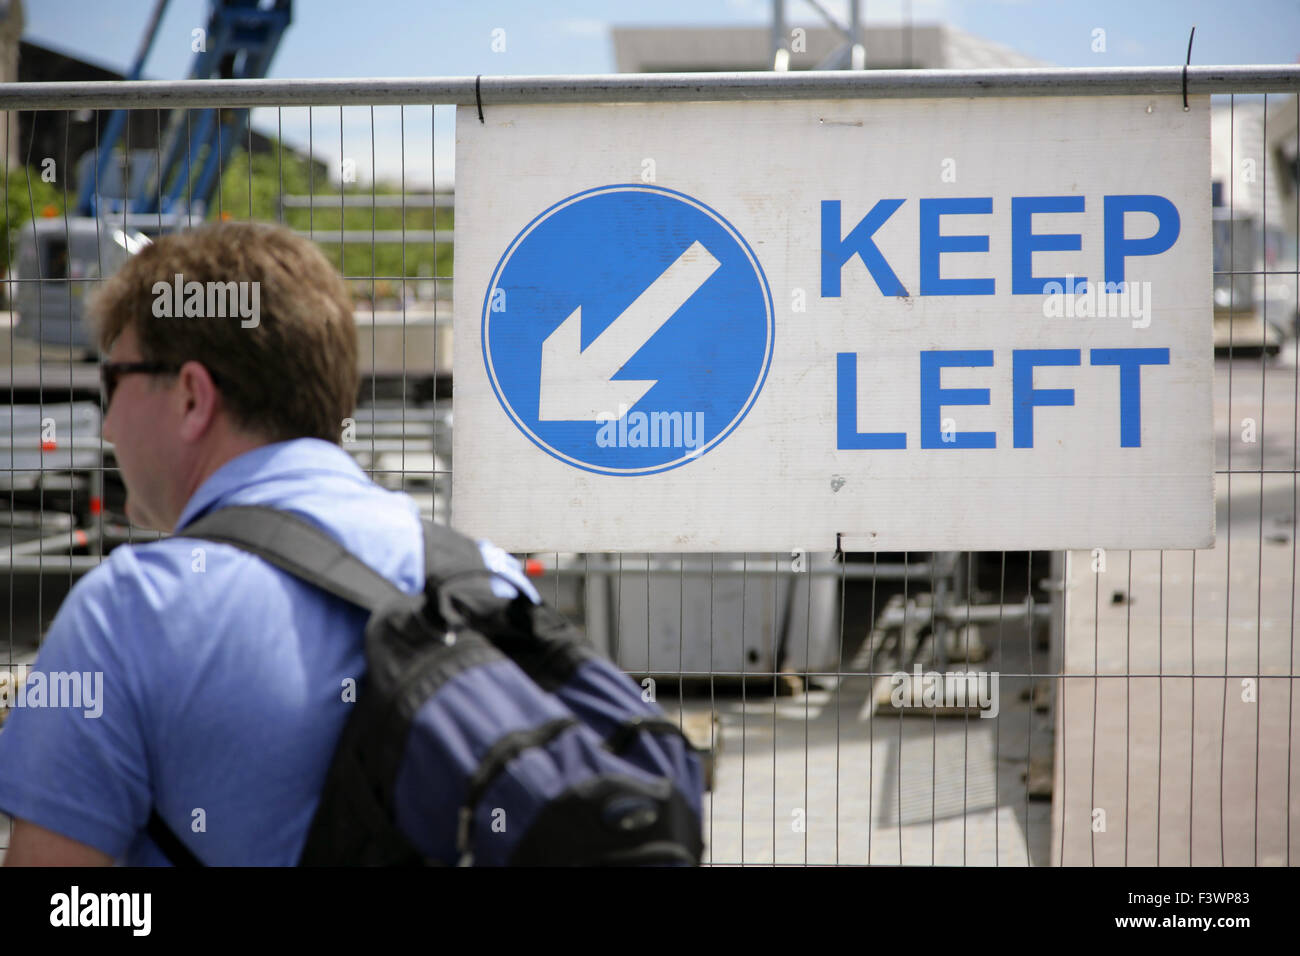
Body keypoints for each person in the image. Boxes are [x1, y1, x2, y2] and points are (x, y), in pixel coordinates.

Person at [0, 222, 536, 865]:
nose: (108, 424)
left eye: (114, 382)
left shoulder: (128, 611)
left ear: (193, 397)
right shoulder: (488, 580)